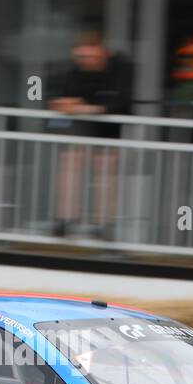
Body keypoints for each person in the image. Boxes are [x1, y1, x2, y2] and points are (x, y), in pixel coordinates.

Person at [49, 30, 133, 237]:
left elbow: (121, 100)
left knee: (105, 174)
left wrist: (90, 108)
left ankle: (103, 224)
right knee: (69, 170)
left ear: (104, 53)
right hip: (80, 129)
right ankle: (64, 220)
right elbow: (59, 93)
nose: (86, 62)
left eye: (91, 57)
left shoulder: (121, 67)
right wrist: (63, 103)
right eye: (81, 58)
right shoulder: (74, 69)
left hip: (109, 130)